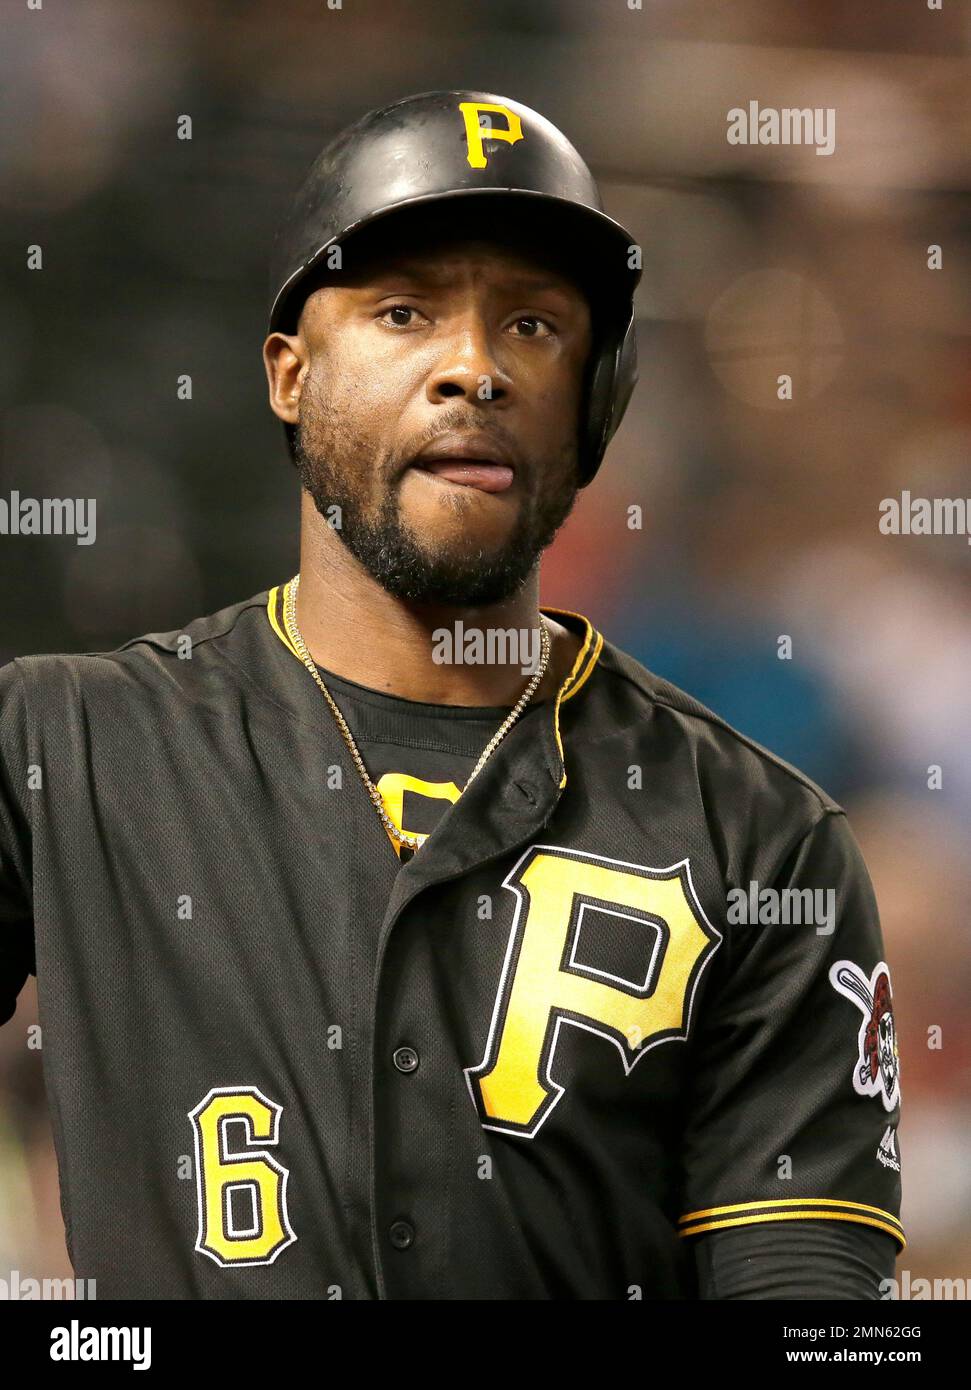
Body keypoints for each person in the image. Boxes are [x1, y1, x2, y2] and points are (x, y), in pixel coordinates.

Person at [0, 91, 902, 1299]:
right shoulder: (63, 745)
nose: (471, 368)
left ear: (593, 402)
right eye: (403, 310)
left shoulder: (761, 836)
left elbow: (806, 1295)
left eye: (531, 324)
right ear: (289, 372)